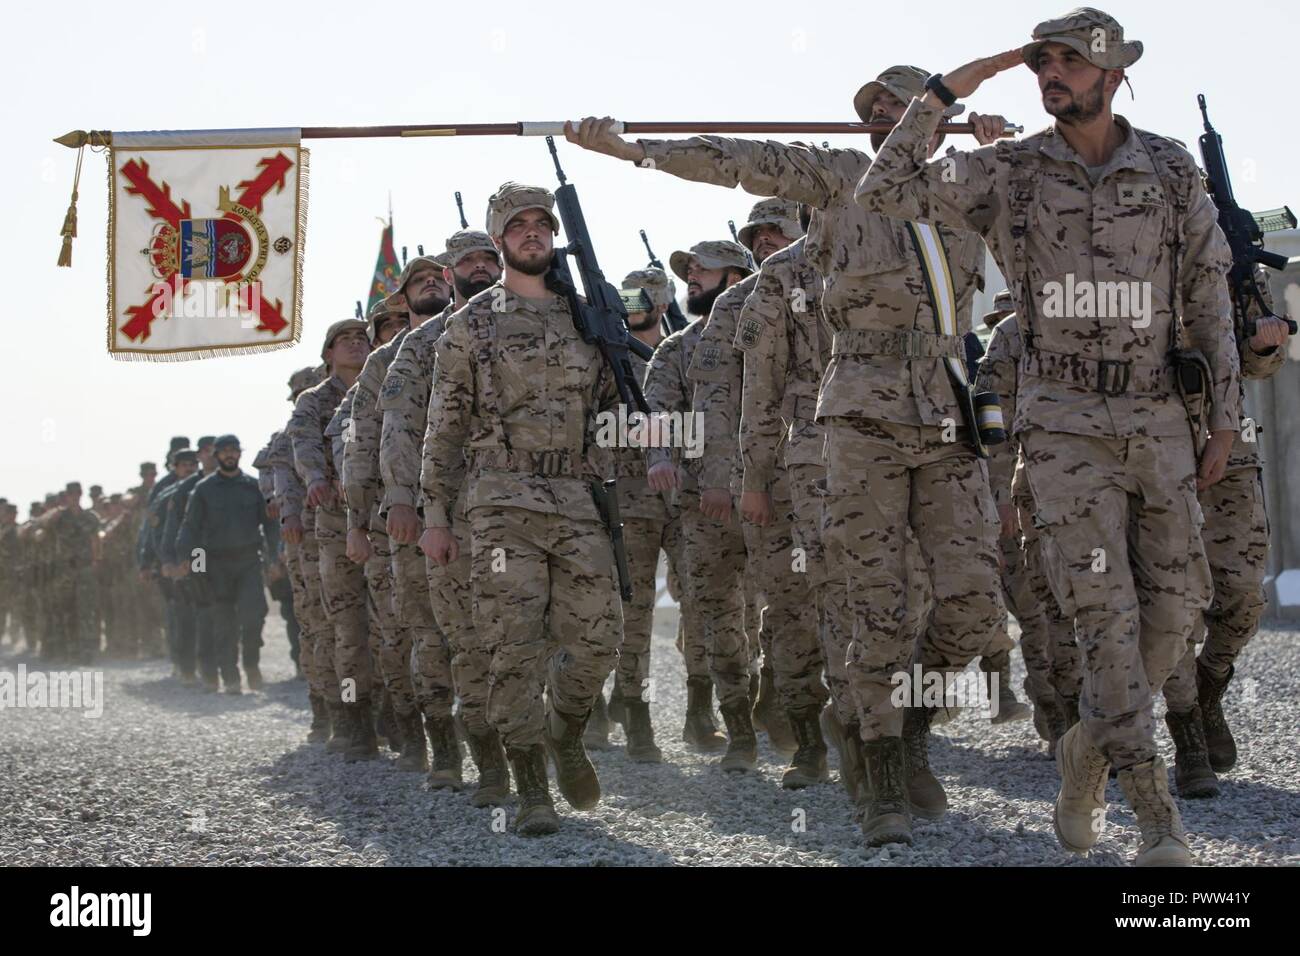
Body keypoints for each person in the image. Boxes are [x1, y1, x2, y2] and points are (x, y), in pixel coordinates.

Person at [855, 8, 1241, 865]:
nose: (1052, 75)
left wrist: (1222, 413)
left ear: (1115, 75)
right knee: (1103, 620)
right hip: (1061, 422)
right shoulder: (1013, 170)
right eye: (1043, 63)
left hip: (1159, 416)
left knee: (1175, 612)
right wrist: (960, 83)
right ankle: (1154, 820)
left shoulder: (1172, 168)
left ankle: (1085, 750)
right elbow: (882, 190)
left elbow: (1210, 293)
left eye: (1071, 61)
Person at [420, 183, 625, 835]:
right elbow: (443, 427)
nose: (533, 232)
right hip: (500, 501)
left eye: (542, 223)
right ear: (500, 238)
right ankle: (532, 785)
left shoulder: (586, 314)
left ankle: (566, 733)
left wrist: (621, 450)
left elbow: (615, 402)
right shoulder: (469, 324)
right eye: (518, 225)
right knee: (512, 647)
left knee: (599, 637)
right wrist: (433, 515)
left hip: (575, 496)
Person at [383, 230, 506, 800]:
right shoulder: (422, 344)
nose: (480, 269)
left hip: (526, 506)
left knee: (525, 635)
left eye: (489, 259)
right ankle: (473, 756)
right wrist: (404, 502)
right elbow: (400, 429)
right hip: (450, 511)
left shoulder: (539, 320)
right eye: (468, 261)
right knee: (459, 639)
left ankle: (528, 743)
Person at [291, 321, 374, 758]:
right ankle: (351, 718)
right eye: (347, 340)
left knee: (392, 623)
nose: (357, 344)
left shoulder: (384, 384)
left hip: (383, 516)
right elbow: (303, 447)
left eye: (363, 338)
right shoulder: (313, 400)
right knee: (346, 624)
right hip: (335, 520)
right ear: (329, 353)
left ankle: (399, 718)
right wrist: (318, 480)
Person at [179, 435, 277, 694]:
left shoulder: (253, 487)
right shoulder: (203, 489)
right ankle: (230, 677)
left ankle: (251, 665)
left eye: (234, 451)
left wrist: (274, 559)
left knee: (253, 617)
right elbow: (190, 530)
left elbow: (270, 525)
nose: (230, 455)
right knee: (223, 625)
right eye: (225, 451)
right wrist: (195, 566)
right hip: (216, 565)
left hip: (248, 563)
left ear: (240, 454)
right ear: (217, 456)